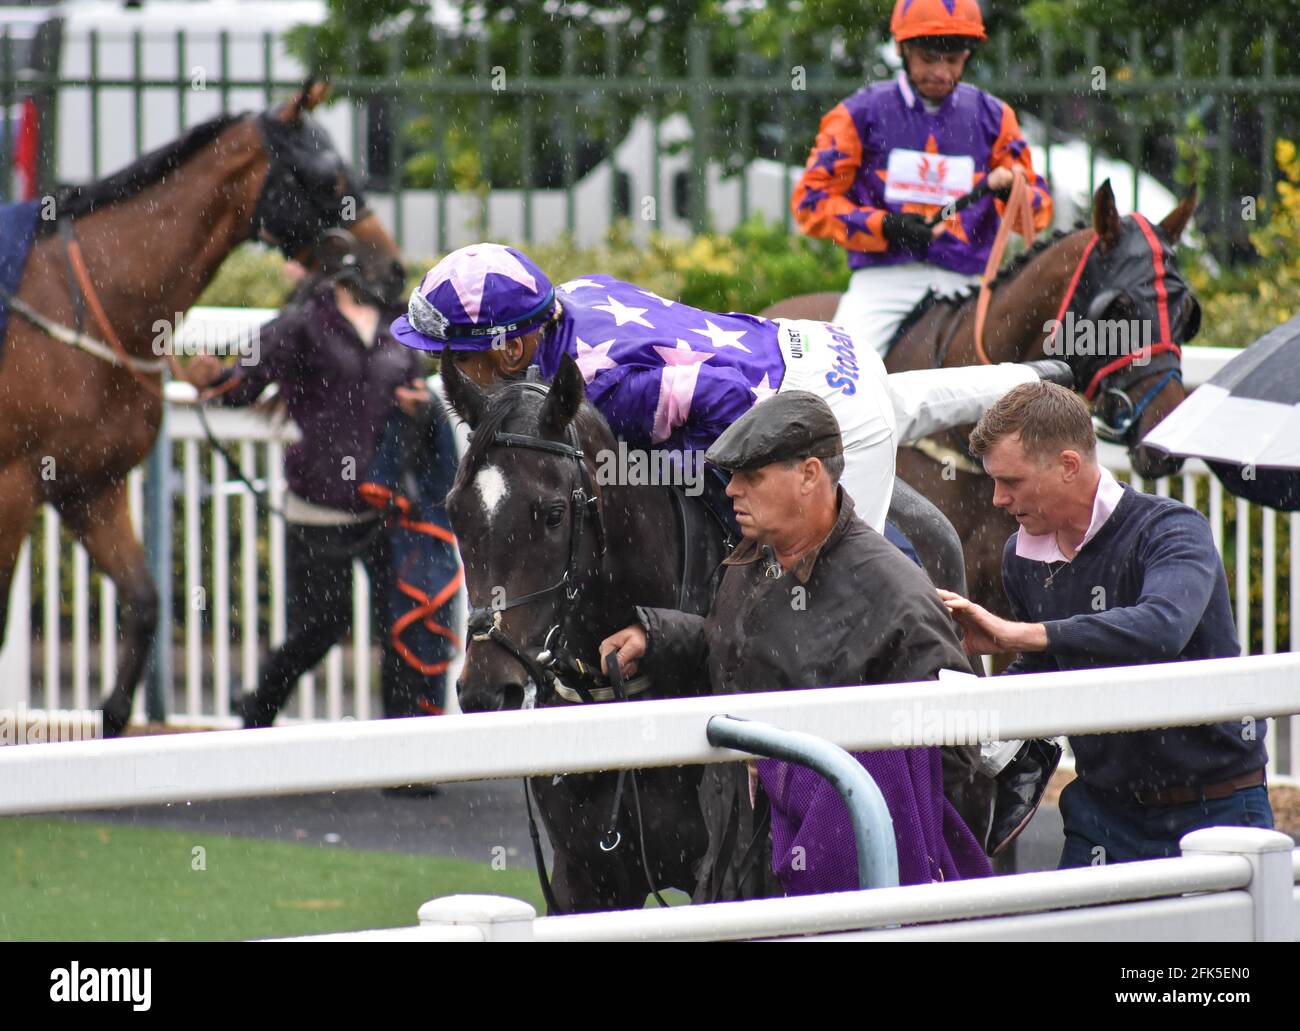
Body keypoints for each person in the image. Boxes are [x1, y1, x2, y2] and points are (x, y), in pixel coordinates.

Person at [390, 242, 1071, 536]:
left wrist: (696, 482)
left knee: (836, 601)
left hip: (826, 409)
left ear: (512, 346)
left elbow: (729, 409)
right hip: (820, 348)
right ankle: (1038, 377)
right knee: (909, 402)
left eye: (458, 357)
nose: (451, 373)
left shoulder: (606, 388)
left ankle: (992, 743)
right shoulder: (569, 297)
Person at [598, 392, 991, 899]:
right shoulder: (753, 556)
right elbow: (740, 653)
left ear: (809, 475)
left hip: (836, 887)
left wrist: (791, 772)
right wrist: (658, 637)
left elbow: (954, 753)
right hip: (735, 861)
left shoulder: (898, 595)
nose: (732, 490)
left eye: (752, 477)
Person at [939, 381, 1274, 867]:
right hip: (1101, 811)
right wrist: (958, 699)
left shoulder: (1173, 529)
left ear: (1068, 466)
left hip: (1217, 807)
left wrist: (1019, 634)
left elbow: (1161, 629)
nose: (997, 499)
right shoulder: (1021, 556)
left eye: (1011, 481)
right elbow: (1045, 670)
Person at [186, 234, 443, 731]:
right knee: (321, 628)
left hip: (384, 508)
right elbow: (240, 387)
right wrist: (211, 378)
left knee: (401, 627)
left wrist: (420, 410)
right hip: (317, 509)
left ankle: (405, 756)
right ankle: (257, 710)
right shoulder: (302, 323)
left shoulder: (398, 326)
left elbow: (416, 395)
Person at [792, 0, 1053, 359]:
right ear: (903, 50)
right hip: (883, 283)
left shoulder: (995, 116)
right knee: (838, 374)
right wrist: (885, 226)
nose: (943, 72)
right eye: (930, 59)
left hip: (968, 284)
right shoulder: (857, 113)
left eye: (953, 59)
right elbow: (810, 202)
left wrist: (1013, 191)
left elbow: (1038, 213)